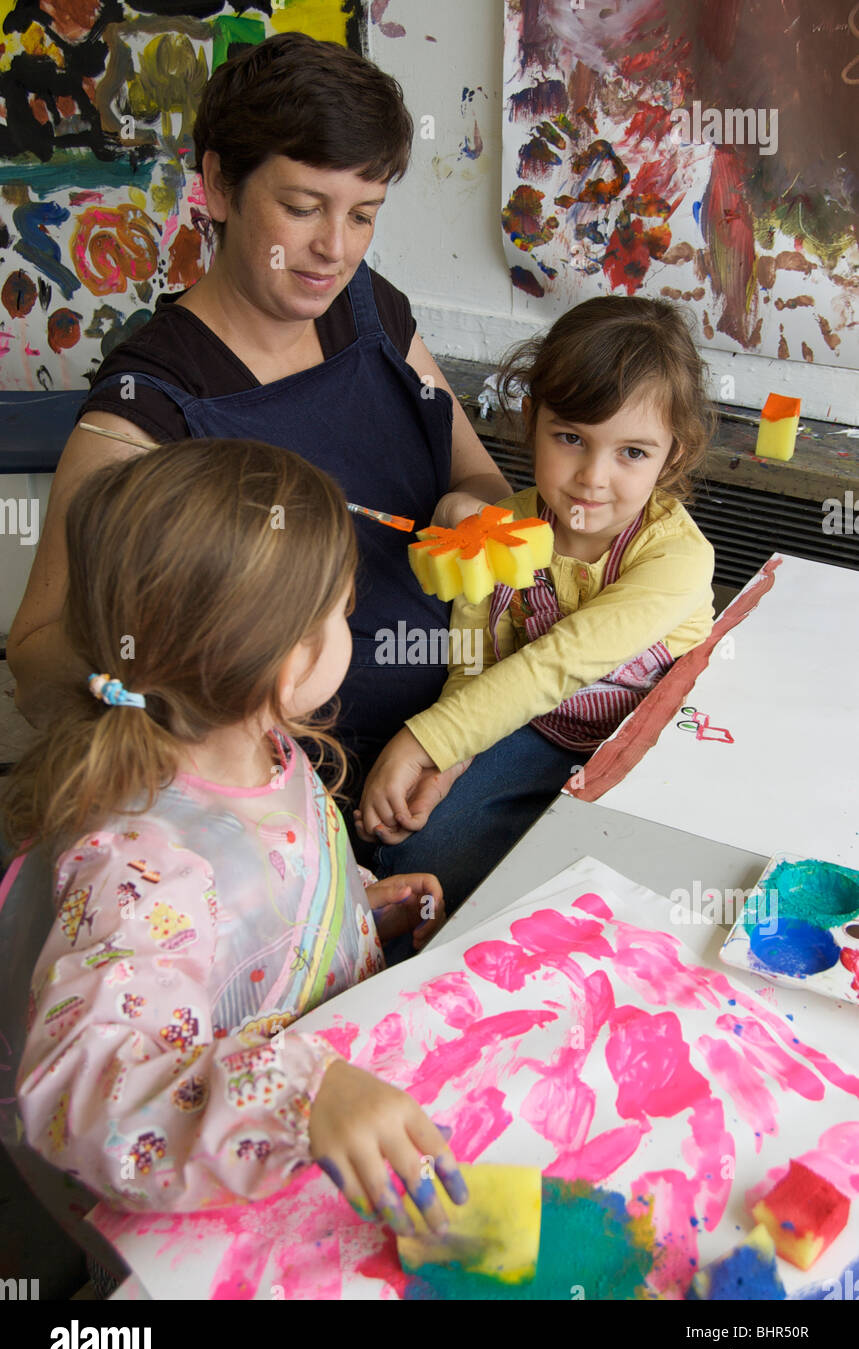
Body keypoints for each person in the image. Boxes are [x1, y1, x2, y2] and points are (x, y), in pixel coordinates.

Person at [6, 30, 508, 812]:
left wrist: (466, 513)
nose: (333, 250)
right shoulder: (151, 406)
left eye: (364, 215)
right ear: (217, 185)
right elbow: (37, 660)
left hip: (466, 716)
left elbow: (481, 479)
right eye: (302, 208)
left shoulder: (368, 307)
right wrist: (189, 659)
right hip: (303, 799)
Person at [0, 438, 467, 1248]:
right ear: (290, 669)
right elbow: (81, 1098)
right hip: (195, 1223)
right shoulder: (141, 869)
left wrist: (353, 908)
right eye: (343, 612)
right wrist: (301, 1095)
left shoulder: (257, 747)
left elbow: (263, 883)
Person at [356, 296, 717, 913]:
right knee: (416, 858)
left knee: (635, 887)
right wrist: (449, 762)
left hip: (649, 748)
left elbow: (559, 664)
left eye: (632, 452)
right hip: (537, 730)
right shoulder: (500, 529)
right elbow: (473, 658)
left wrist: (421, 743)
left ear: (672, 454)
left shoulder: (676, 559)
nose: (593, 478)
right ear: (532, 419)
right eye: (571, 438)